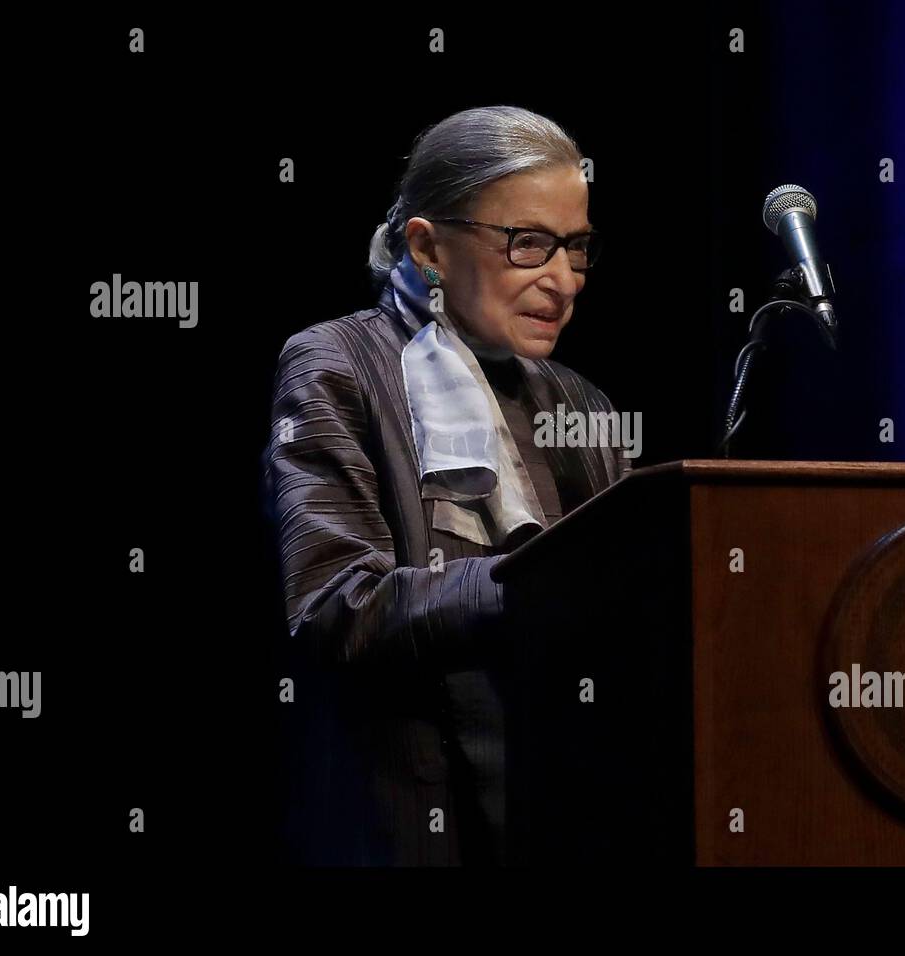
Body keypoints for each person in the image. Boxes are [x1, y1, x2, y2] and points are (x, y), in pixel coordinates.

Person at [261, 105, 631, 865]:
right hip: (409, 824)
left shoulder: (580, 404)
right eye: (528, 244)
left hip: (564, 815)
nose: (563, 280)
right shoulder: (338, 367)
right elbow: (334, 607)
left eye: (577, 247)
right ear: (429, 247)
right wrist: (530, 583)